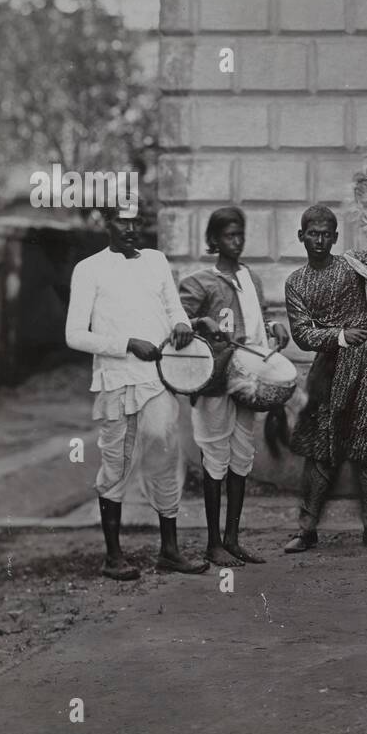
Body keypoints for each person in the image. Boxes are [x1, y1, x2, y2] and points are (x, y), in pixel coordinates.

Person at [65, 205, 207, 580]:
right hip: (116, 379)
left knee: (164, 449)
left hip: (158, 376)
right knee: (116, 462)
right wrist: (127, 343)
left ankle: (170, 550)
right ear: (105, 223)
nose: (130, 229)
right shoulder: (89, 269)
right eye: (121, 221)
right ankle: (113, 557)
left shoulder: (156, 261)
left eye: (136, 221)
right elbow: (75, 335)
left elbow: (173, 307)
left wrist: (180, 325)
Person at [281, 204, 367, 553]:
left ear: (336, 237)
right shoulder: (295, 282)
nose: (320, 240)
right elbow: (302, 334)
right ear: (301, 236)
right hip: (329, 372)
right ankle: (307, 529)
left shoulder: (353, 263)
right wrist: (340, 335)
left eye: (327, 234)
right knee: (321, 452)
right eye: (313, 234)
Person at [178, 207, 290, 568]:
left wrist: (274, 326)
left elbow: (260, 315)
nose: (237, 241)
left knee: (242, 456)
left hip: (247, 381)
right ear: (213, 241)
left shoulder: (250, 278)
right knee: (215, 457)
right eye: (229, 236)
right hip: (214, 380)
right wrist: (197, 322)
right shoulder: (199, 282)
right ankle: (212, 543)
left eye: (240, 234)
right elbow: (176, 326)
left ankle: (232, 538)